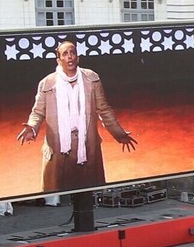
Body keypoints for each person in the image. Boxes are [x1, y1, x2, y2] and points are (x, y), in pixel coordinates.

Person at [17, 40, 137, 193]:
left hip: (87, 146)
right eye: (65, 54)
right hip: (59, 149)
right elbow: (38, 112)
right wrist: (32, 128)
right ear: (59, 60)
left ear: (78, 58)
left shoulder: (91, 79)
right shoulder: (47, 83)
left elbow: (104, 109)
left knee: (90, 193)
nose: (70, 57)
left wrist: (119, 134)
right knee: (59, 193)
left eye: (73, 53)